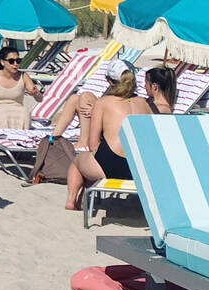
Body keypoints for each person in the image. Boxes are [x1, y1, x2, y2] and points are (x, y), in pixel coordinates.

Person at [64, 64, 152, 210]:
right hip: (140, 167)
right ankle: (83, 196)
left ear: (109, 81)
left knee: (78, 161)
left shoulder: (103, 103)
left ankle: (72, 201)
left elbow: (93, 145)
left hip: (111, 165)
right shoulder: (144, 103)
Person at [0, 47, 38, 128]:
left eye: (18, 61)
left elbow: (39, 99)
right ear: (2, 62)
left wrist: (36, 93)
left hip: (18, 109)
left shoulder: (23, 76)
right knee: (3, 116)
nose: (15, 64)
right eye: (11, 61)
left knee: (24, 114)